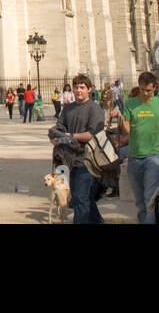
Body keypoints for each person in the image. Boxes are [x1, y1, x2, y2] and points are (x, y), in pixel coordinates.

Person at [49, 74, 106, 224]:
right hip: (68, 160)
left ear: (89, 89)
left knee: (80, 199)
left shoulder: (95, 109)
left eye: (82, 87)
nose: (78, 90)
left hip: (87, 160)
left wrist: (69, 136)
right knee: (82, 198)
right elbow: (58, 129)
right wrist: (55, 138)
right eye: (76, 87)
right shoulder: (68, 109)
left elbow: (92, 135)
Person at [123, 71, 159, 224]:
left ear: (155, 88)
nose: (145, 93)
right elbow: (127, 129)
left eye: (149, 90)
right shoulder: (130, 104)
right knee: (140, 202)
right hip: (134, 155)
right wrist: (122, 122)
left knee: (150, 200)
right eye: (142, 89)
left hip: (153, 155)